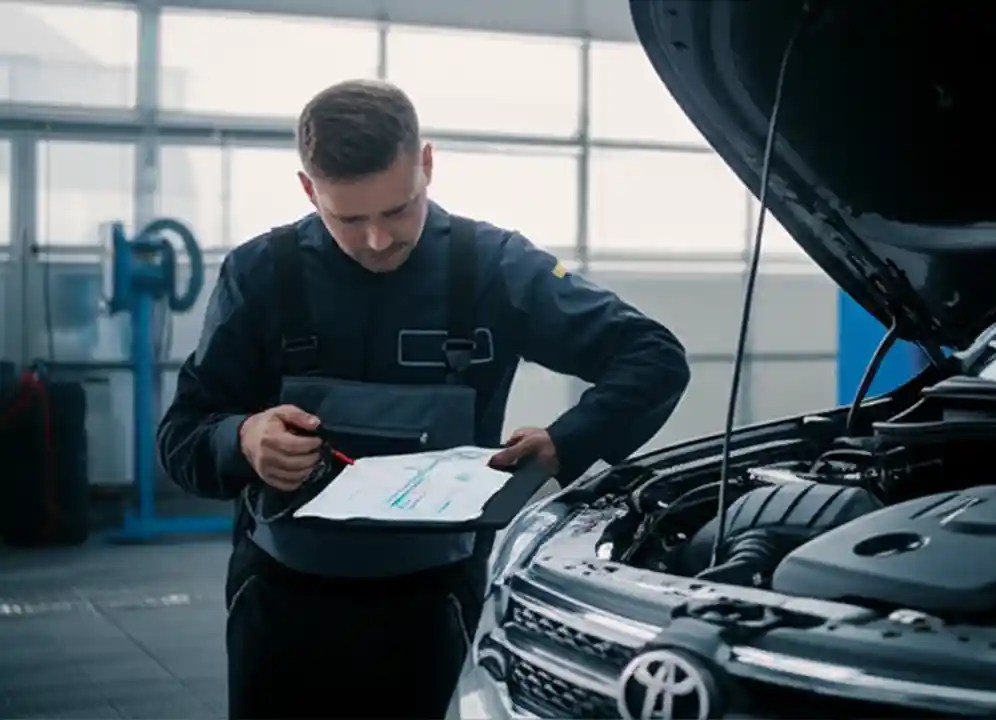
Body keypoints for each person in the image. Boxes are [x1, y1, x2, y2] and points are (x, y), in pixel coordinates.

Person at [157, 78, 691, 720]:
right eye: (348, 219)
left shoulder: (493, 266)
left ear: (427, 165)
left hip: (433, 606)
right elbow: (181, 436)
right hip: (280, 606)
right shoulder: (261, 275)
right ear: (307, 190)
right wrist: (241, 438)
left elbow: (652, 357)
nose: (378, 241)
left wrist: (565, 443)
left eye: (399, 209)